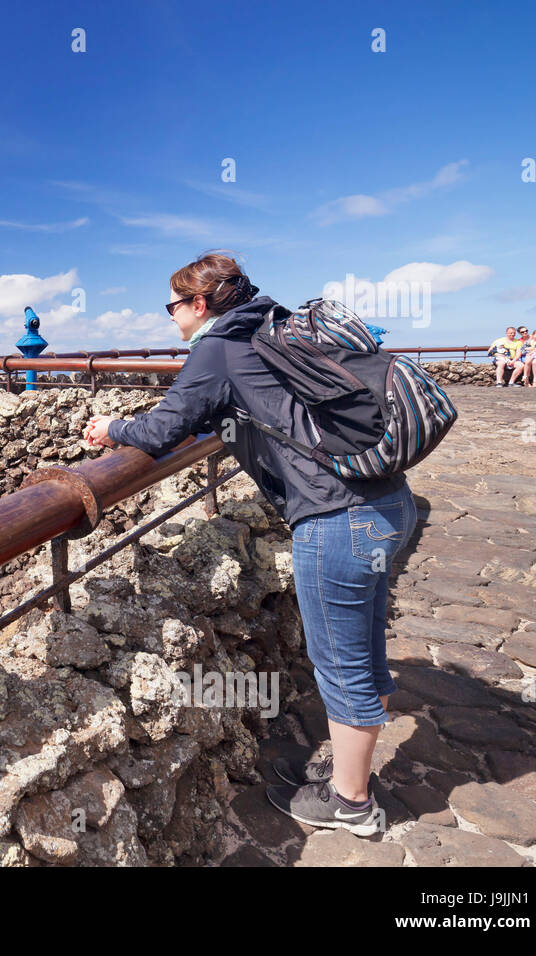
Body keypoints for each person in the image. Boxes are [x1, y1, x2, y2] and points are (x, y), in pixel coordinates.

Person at [84, 251, 415, 837]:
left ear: (200, 304)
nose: (171, 318)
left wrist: (112, 429)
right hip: (385, 503)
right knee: (363, 652)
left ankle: (353, 804)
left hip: (336, 516)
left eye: (172, 306)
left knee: (341, 667)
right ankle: (348, 775)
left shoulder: (218, 347)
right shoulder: (268, 327)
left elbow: (163, 430)